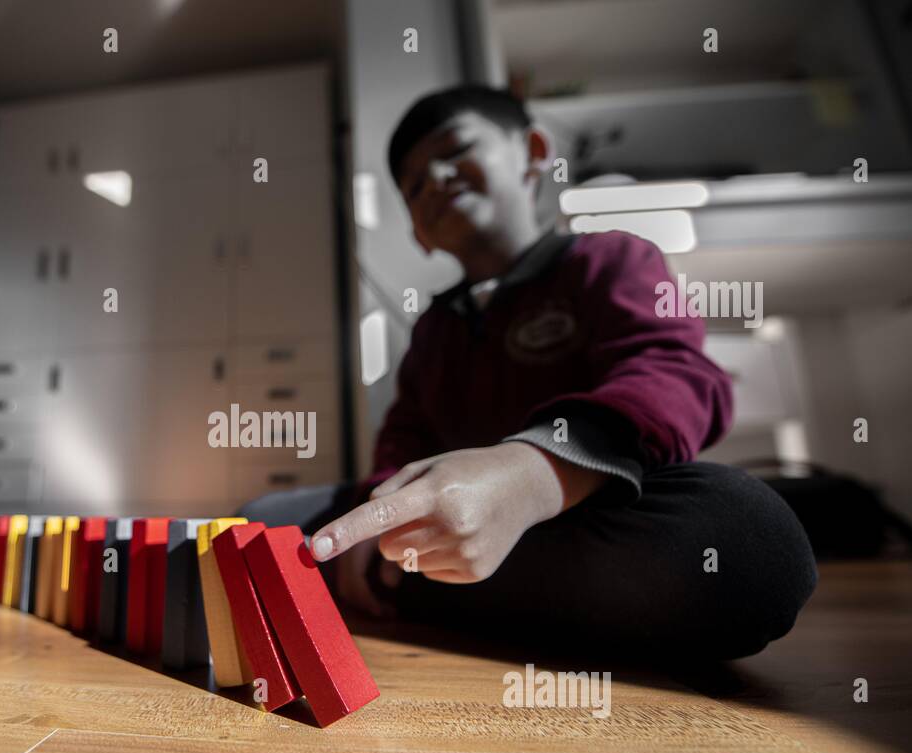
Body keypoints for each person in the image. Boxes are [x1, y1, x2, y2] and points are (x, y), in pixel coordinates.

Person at [241, 85, 817, 660]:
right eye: (414, 185)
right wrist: (377, 503)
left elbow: (676, 372)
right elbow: (405, 432)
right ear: (419, 233)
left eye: (455, 149)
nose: (436, 178)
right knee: (263, 522)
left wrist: (533, 474)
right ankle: (459, 585)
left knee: (748, 540)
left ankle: (424, 592)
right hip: (459, 533)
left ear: (534, 151)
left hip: (583, 511)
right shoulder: (435, 328)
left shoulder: (609, 258)